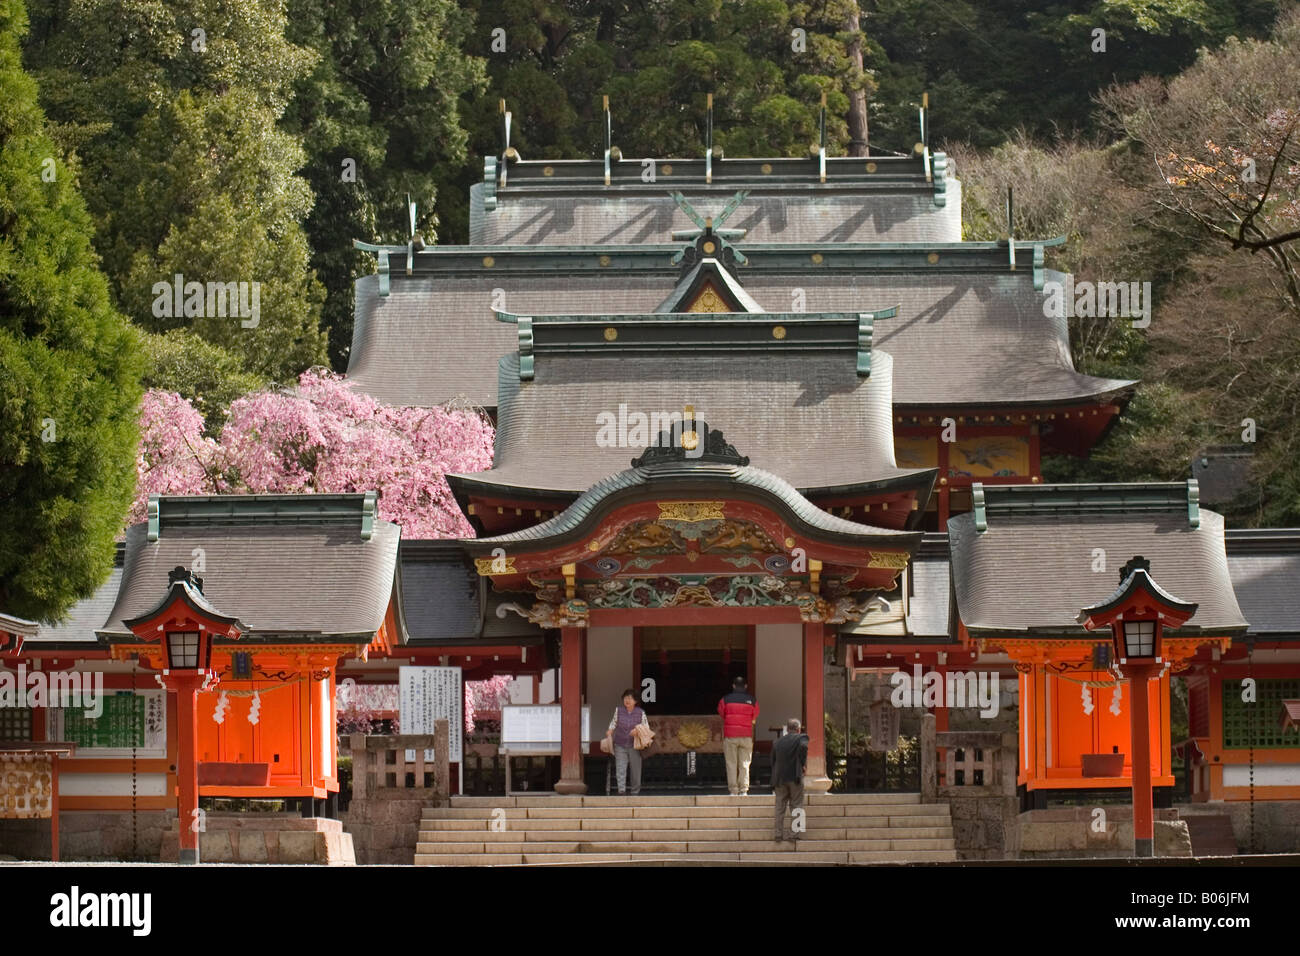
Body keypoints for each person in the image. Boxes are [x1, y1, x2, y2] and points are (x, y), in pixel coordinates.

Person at [717, 676, 759, 795]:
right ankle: (744, 790)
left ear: (733, 686)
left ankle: (733, 790)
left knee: (731, 763)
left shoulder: (725, 700)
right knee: (745, 764)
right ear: (745, 686)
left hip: (730, 735)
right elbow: (754, 716)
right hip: (746, 735)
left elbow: (722, 713)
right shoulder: (752, 700)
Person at [604, 688, 648, 796]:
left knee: (636, 769)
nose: (627, 700)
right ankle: (621, 791)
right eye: (625, 698)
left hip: (635, 745)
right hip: (620, 743)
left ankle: (635, 792)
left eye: (630, 698)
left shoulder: (641, 713)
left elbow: (646, 728)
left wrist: (637, 730)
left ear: (635, 701)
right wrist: (610, 731)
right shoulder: (618, 710)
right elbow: (613, 723)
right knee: (620, 767)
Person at [771, 717, 809, 842]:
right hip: (795, 776)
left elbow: (773, 760)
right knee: (797, 804)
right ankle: (794, 834)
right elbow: (804, 747)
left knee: (779, 806)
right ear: (798, 729)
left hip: (779, 778)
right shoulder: (802, 738)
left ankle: (778, 834)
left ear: (787, 729)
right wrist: (803, 763)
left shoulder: (777, 742)